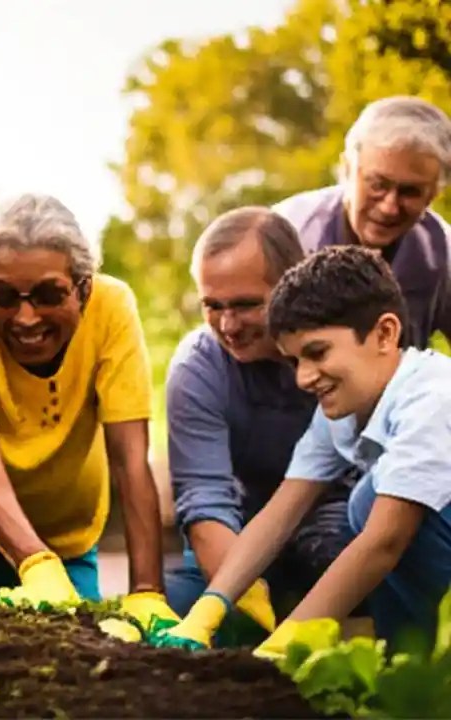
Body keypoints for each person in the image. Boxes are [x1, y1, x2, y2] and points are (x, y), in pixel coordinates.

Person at [0, 192, 174, 635]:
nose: (25, 318)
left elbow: (129, 460)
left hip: (67, 542)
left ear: (83, 287)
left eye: (46, 295)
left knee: (75, 633)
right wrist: (37, 568)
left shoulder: (112, 307)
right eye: (2, 295)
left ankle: (22, 599)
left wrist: (147, 593)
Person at [156, 245, 451, 656]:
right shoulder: (343, 412)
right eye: (294, 361)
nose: (304, 378)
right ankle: (411, 666)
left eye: (317, 353)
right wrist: (209, 609)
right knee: (364, 507)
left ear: (385, 333)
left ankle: (422, 661)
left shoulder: (432, 399)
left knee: (368, 508)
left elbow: (383, 542)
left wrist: (279, 648)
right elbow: (282, 510)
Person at [163, 207, 356, 646]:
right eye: (213, 306)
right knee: (175, 602)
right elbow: (204, 501)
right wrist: (248, 610)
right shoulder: (199, 368)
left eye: (247, 305)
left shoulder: (344, 351)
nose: (228, 326)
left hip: (334, 527)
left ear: (291, 284)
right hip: (240, 537)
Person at [273, 96, 451, 349]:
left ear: (433, 194)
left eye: (410, 191)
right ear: (346, 170)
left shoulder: (442, 251)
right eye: (378, 184)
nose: (390, 207)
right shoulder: (284, 234)